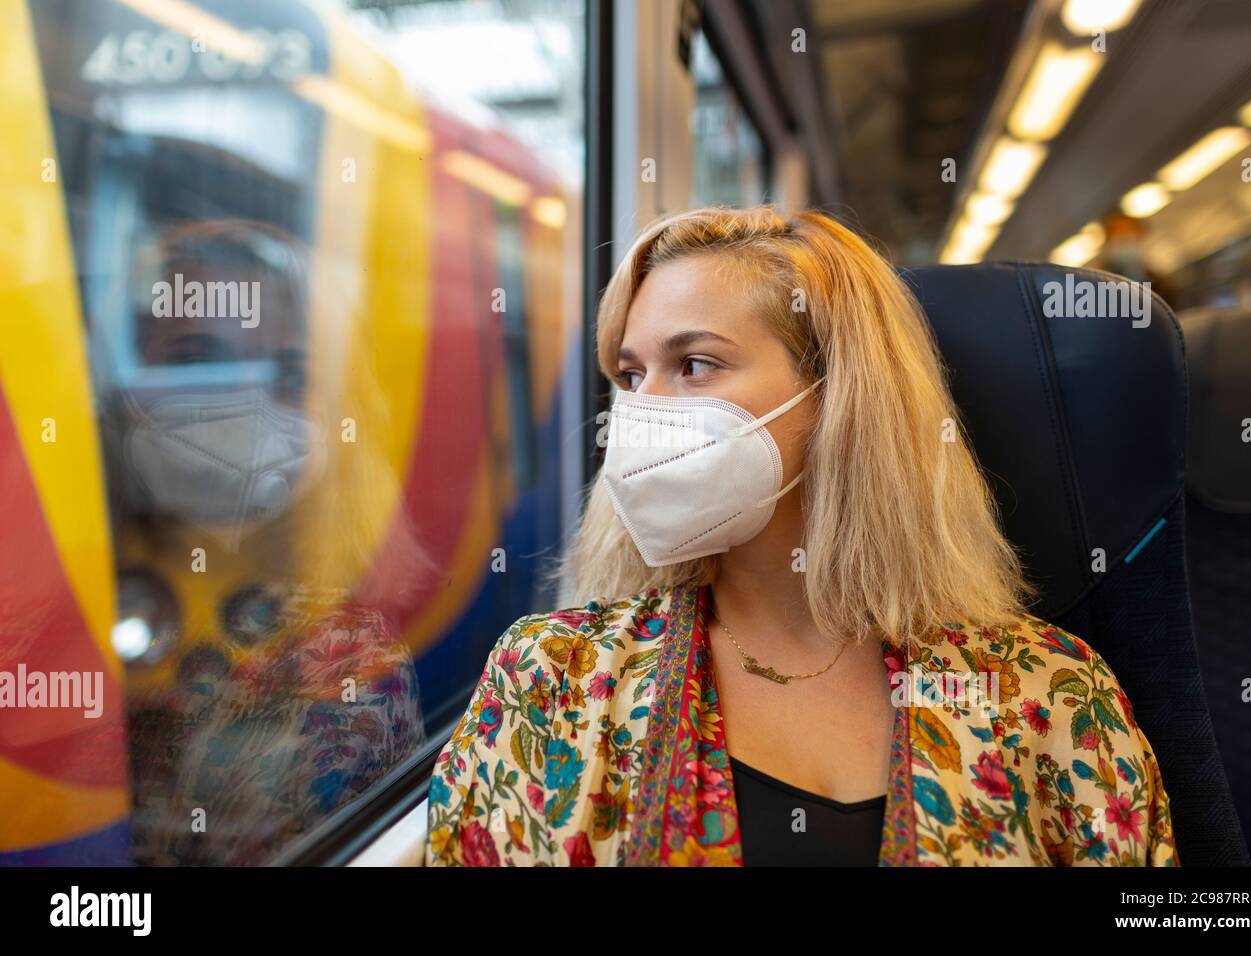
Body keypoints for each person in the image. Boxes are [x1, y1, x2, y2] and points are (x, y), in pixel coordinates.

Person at [424, 205, 1179, 867]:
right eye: (628, 376)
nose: (634, 416)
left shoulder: (1048, 693)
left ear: (837, 396)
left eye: (692, 365)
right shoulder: (549, 678)